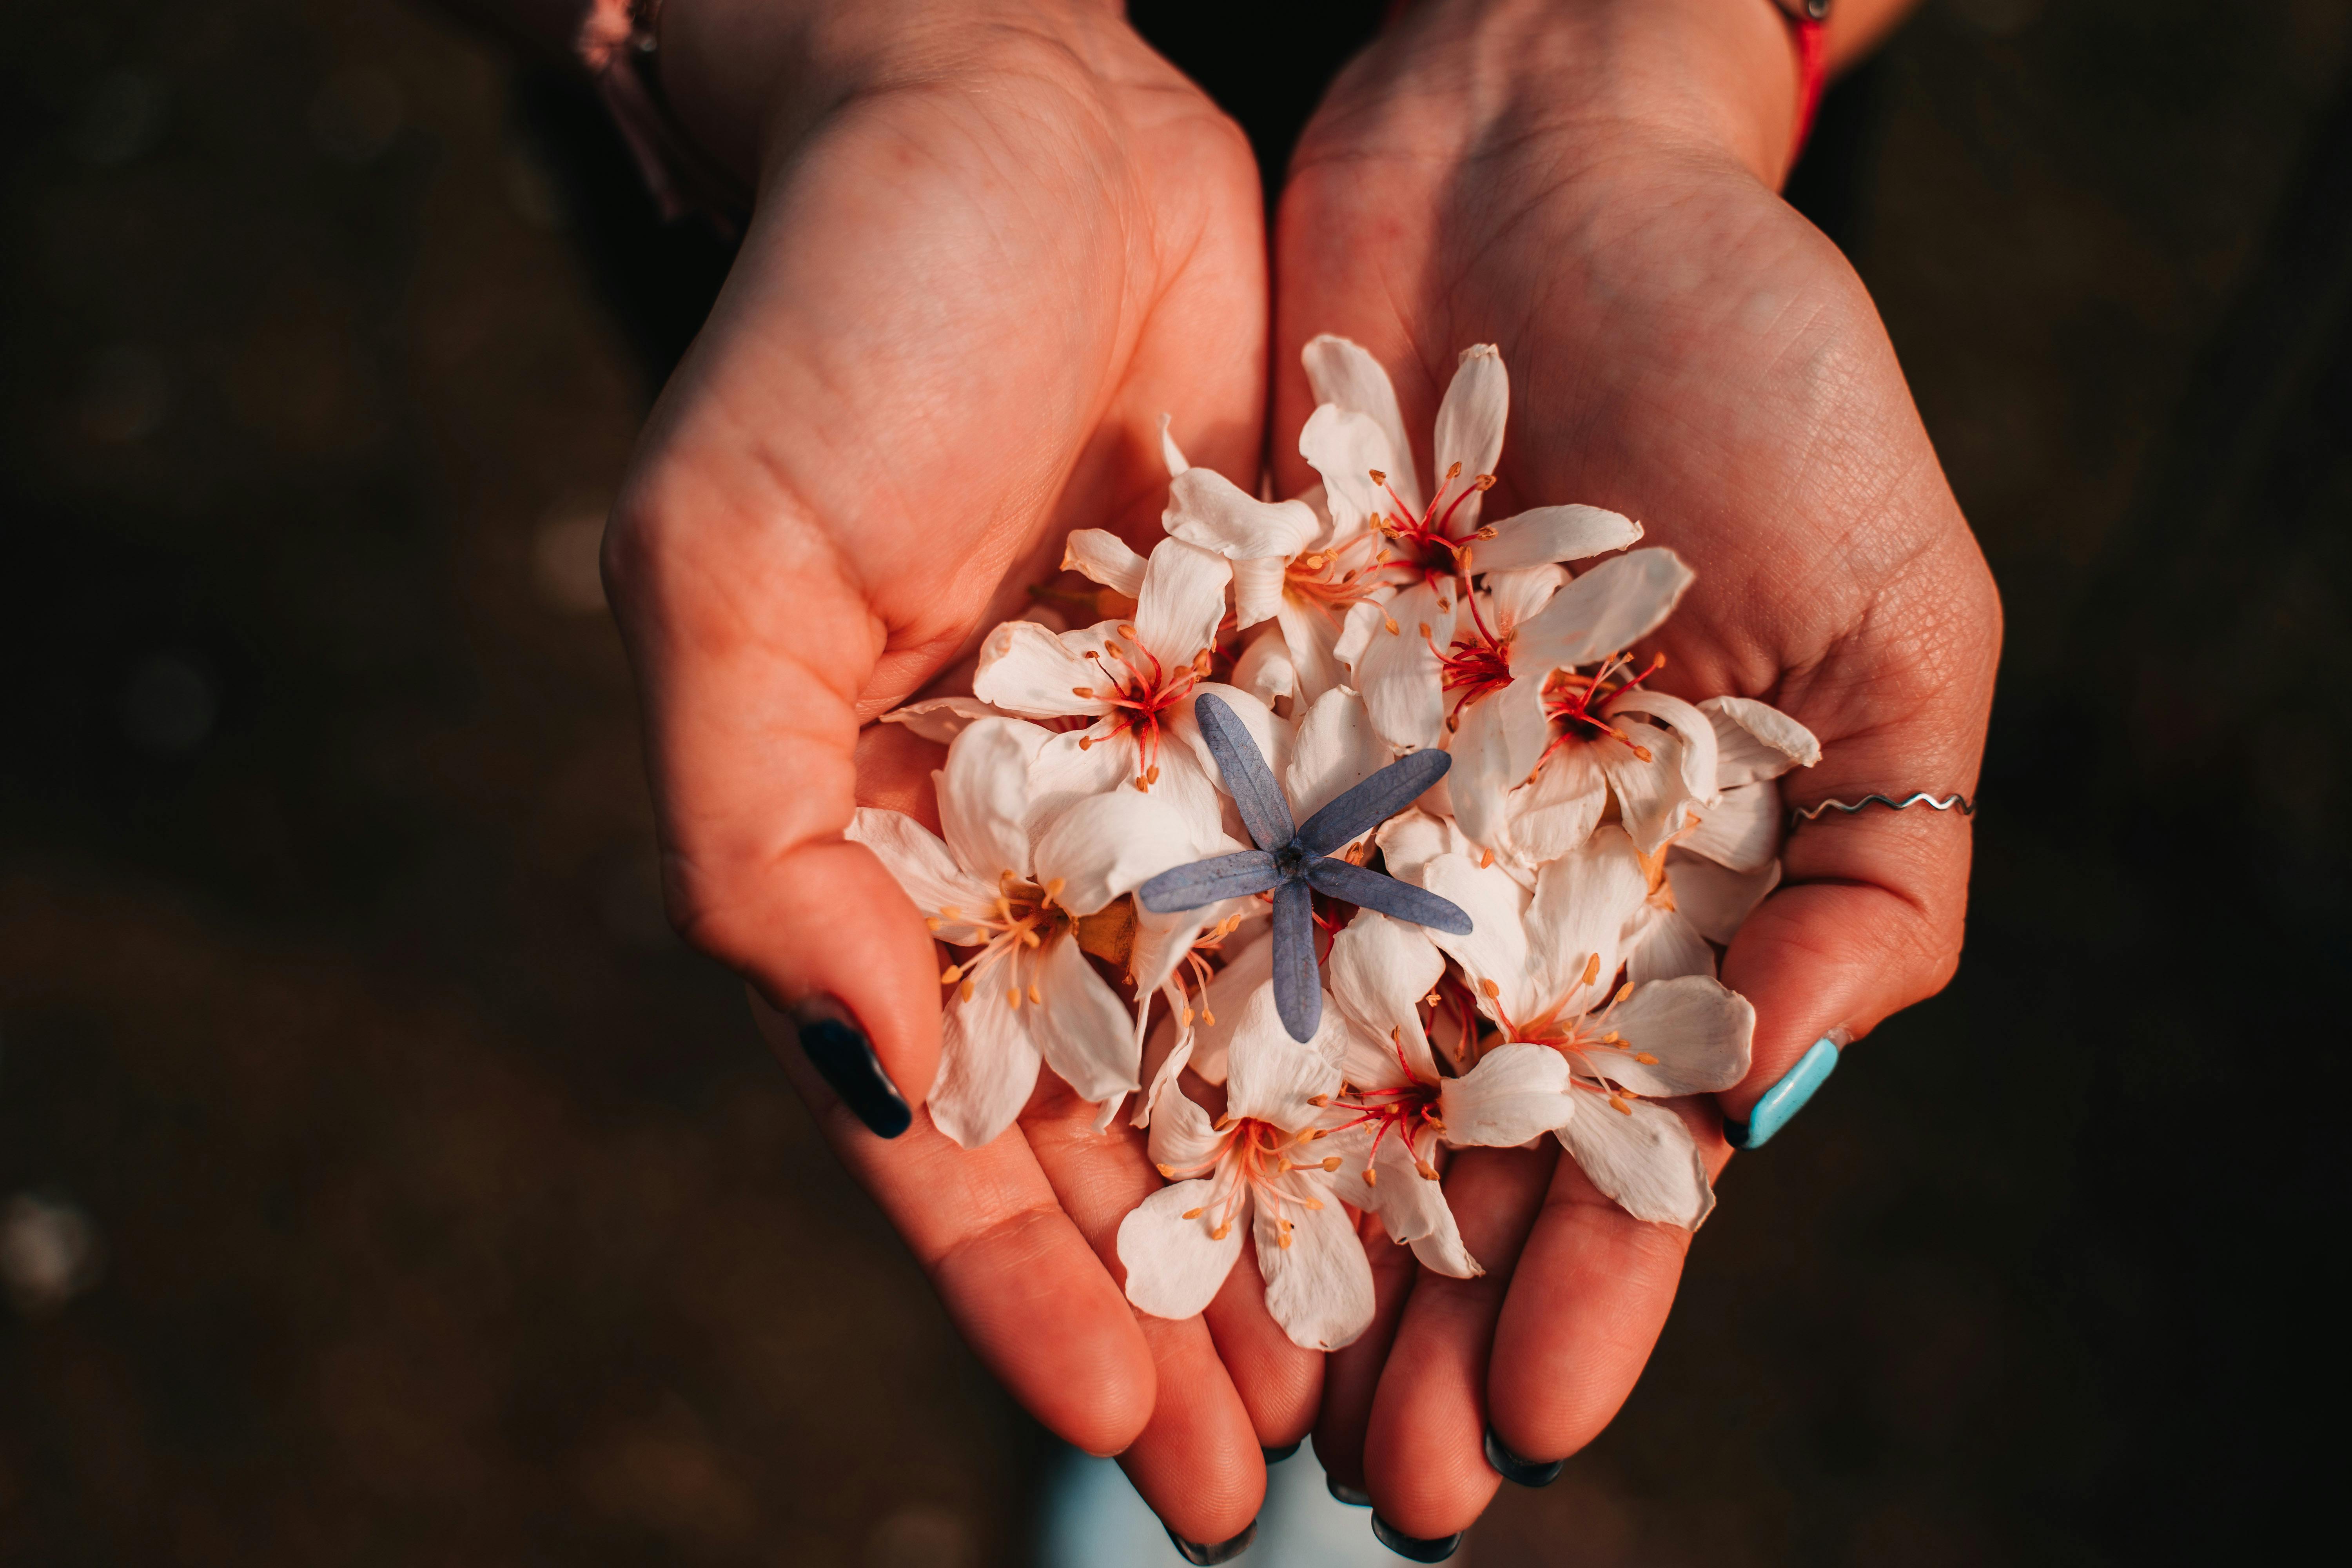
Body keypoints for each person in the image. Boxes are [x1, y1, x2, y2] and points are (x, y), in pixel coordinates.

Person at [453, 0, 1998, 1557]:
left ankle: (1300, 1461)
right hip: (965, 340)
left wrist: (1649, 52)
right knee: (1025, 1130)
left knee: (1308, 1285)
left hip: (1593, 277)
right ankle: (1187, 1431)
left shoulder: (1456, 717)